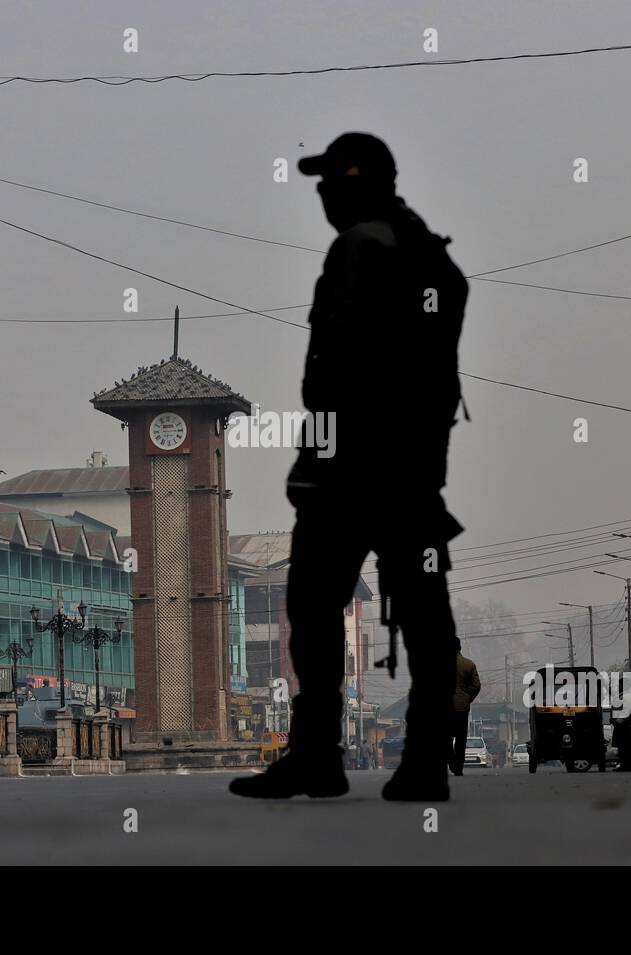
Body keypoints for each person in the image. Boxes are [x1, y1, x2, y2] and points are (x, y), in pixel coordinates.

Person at [230, 133, 468, 802]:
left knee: (312, 604)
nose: (322, 195)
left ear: (356, 184)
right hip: (414, 470)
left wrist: (317, 460)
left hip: (354, 470)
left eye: (330, 182)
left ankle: (316, 756)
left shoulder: (361, 248)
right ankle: (423, 762)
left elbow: (337, 371)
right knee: (425, 612)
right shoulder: (429, 253)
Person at [450, 638, 482, 775]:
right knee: (461, 738)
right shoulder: (468, 664)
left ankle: (451, 759)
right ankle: (458, 767)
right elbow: (476, 686)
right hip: (462, 707)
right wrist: (468, 698)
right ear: (460, 648)